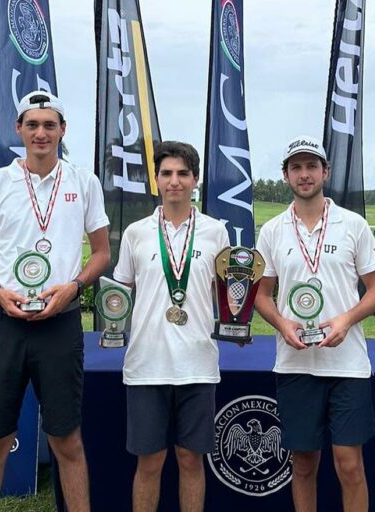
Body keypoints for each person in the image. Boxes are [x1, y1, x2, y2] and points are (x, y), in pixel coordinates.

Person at [0, 90, 111, 512]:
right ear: (18, 129)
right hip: (4, 323)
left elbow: (101, 254)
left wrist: (73, 288)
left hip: (59, 326)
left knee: (68, 440)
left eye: (49, 125)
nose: (40, 133)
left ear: (62, 130)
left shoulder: (84, 181)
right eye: (32, 124)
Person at [254, 136, 375, 511]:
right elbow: (262, 294)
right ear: (285, 176)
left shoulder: (353, 225)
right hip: (295, 364)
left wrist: (346, 319)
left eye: (312, 166)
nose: (305, 174)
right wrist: (281, 324)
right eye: (296, 167)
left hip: (347, 363)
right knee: (304, 464)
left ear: (325, 172)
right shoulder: (273, 230)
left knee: (350, 465)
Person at [113, 141, 229, 512]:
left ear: (195, 179)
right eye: (166, 174)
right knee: (149, 462)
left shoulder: (215, 232)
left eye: (182, 174)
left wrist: (234, 323)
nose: (174, 181)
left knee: (190, 460)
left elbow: (227, 293)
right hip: (147, 364)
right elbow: (120, 293)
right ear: (156, 180)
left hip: (197, 363)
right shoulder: (136, 233)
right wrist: (113, 326)